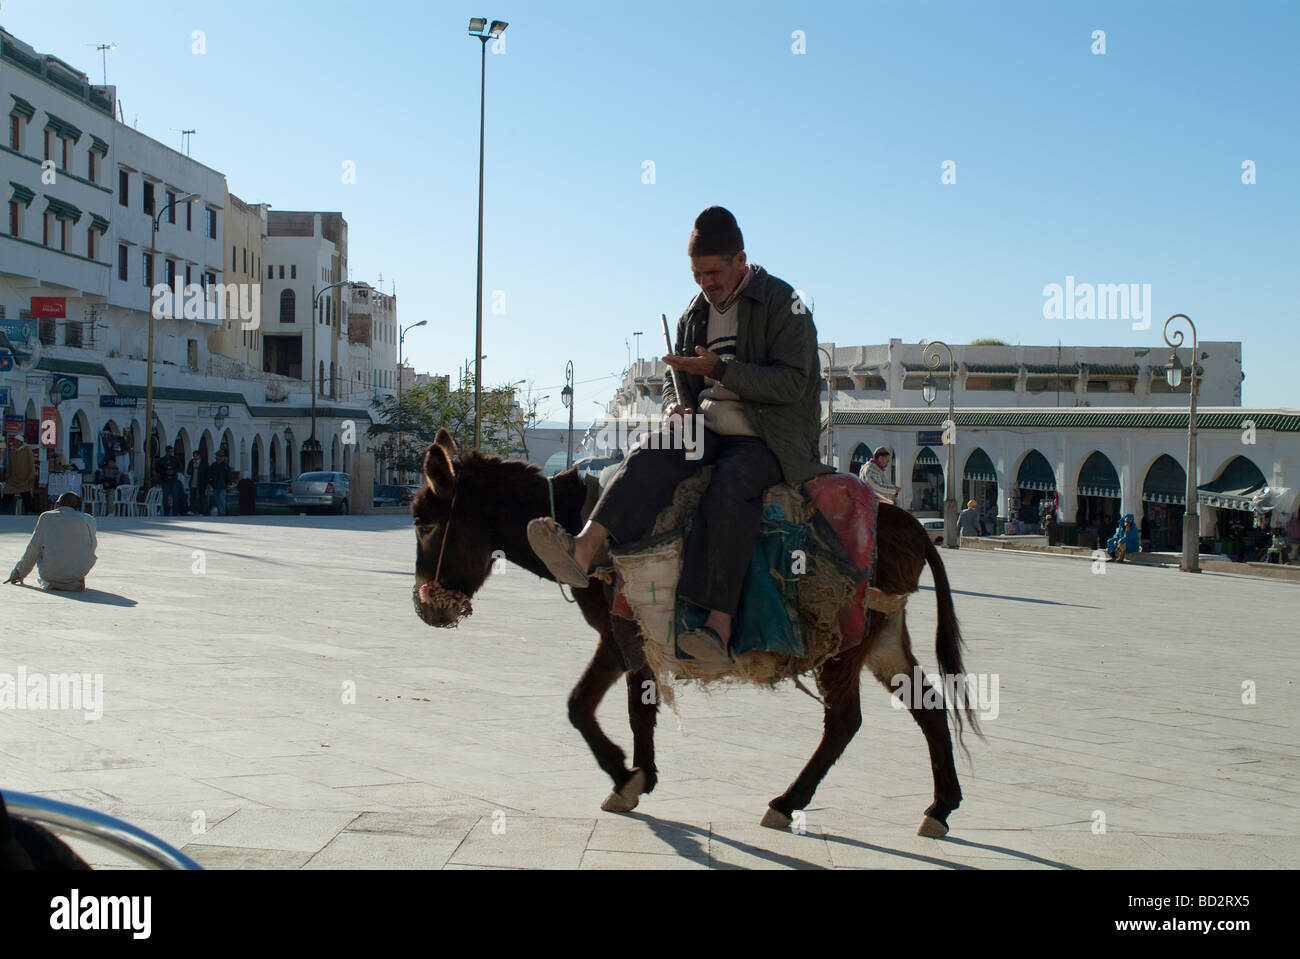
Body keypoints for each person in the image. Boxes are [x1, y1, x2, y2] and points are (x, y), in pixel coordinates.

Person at [526, 206, 830, 673]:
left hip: (767, 437)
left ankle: (719, 623)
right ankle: (584, 547)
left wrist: (722, 370)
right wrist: (675, 402)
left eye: (713, 272)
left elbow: (793, 384)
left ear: (740, 260)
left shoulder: (783, 303)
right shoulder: (695, 313)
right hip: (706, 428)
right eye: (696, 274)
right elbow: (676, 376)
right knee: (649, 453)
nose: (705, 283)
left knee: (730, 488)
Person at [5, 492, 97, 591]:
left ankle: (55, 581)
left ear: (56, 505)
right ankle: (71, 580)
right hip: (78, 573)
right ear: (79, 507)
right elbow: (91, 548)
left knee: (41, 545)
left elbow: (33, 549)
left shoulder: (46, 517)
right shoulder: (89, 519)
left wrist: (19, 573)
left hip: (50, 572)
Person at [2, 435, 36, 516]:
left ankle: (29, 510)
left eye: (16, 441)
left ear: (20, 442)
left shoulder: (27, 450)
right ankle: (3, 509)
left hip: (24, 478)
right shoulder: (12, 451)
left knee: (26, 494)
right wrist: (8, 475)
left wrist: (31, 476)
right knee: (8, 493)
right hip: (13, 479)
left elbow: (31, 464)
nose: (14, 442)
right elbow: (9, 464)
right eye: (14, 441)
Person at [158, 445, 185, 515]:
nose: (171, 453)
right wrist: (165, 472)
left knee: (175, 496)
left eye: (171, 452)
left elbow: (180, 467)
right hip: (165, 480)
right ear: (166, 452)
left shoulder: (175, 459)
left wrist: (174, 471)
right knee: (165, 497)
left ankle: (175, 512)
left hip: (174, 480)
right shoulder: (161, 460)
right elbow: (158, 469)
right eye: (169, 452)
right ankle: (166, 513)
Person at [208, 451, 232, 515]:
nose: (218, 458)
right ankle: (220, 511)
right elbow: (210, 475)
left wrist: (228, 484)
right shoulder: (213, 465)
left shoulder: (226, 466)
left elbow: (229, 476)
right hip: (215, 485)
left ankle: (222, 512)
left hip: (223, 486)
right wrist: (210, 483)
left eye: (219, 456)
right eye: (217, 456)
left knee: (222, 499)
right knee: (217, 500)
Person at [186, 450, 209, 516]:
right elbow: (188, 472)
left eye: (196, 456)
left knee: (202, 497)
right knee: (192, 497)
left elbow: (207, 473)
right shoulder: (191, 462)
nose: (195, 457)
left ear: (199, 455)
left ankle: (202, 511)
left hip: (201, 483)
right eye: (194, 456)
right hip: (193, 483)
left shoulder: (204, 462)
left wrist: (207, 482)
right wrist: (191, 469)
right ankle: (192, 510)